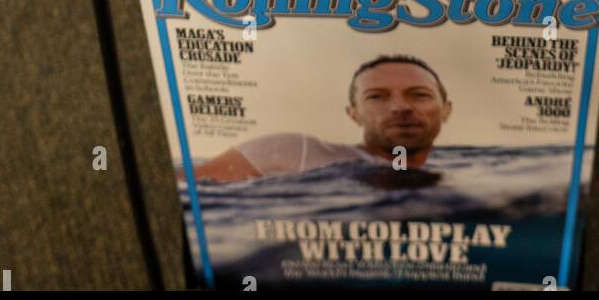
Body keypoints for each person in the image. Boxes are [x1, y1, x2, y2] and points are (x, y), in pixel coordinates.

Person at [190, 54, 452, 182]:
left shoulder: (469, 181)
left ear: (446, 110)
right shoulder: (296, 151)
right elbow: (183, 189)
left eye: (418, 94)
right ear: (354, 114)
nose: (400, 107)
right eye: (377, 97)